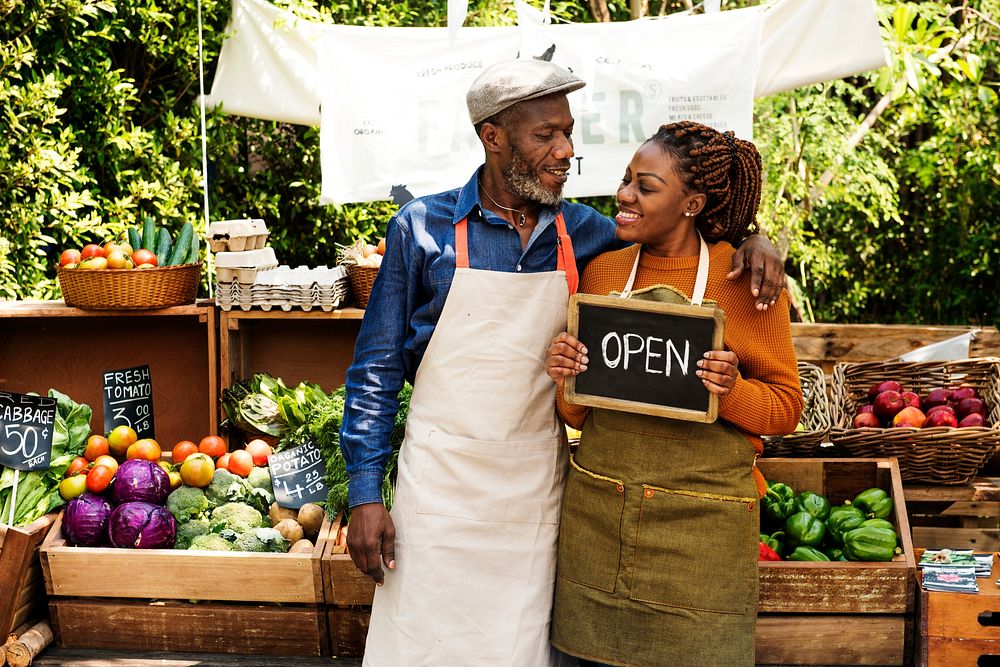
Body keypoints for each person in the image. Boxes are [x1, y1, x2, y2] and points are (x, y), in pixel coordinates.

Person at [338, 59, 786, 666]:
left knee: (517, 649)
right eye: (545, 134)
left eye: (568, 132)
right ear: (493, 137)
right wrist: (365, 494)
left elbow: (680, 227)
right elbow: (375, 371)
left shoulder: (590, 235)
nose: (565, 152)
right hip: (438, 485)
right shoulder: (423, 230)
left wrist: (755, 237)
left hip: (536, 490)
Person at [544, 120, 804, 667]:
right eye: (625, 181)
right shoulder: (603, 272)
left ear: (692, 203)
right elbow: (579, 412)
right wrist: (565, 374)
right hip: (600, 519)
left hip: (701, 536)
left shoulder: (746, 283)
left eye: (645, 185)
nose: (624, 195)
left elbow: (785, 408)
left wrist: (729, 390)